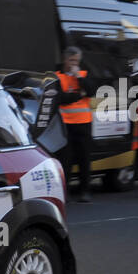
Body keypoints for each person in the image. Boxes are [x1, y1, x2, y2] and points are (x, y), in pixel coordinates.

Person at [54, 45, 101, 203]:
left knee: (84, 158)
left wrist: (79, 78)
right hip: (65, 124)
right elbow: (60, 99)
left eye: (77, 61)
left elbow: (91, 91)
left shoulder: (83, 73)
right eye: (71, 60)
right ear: (65, 59)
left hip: (83, 123)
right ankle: (64, 192)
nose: (74, 63)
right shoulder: (57, 75)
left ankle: (85, 190)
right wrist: (78, 95)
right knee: (65, 159)